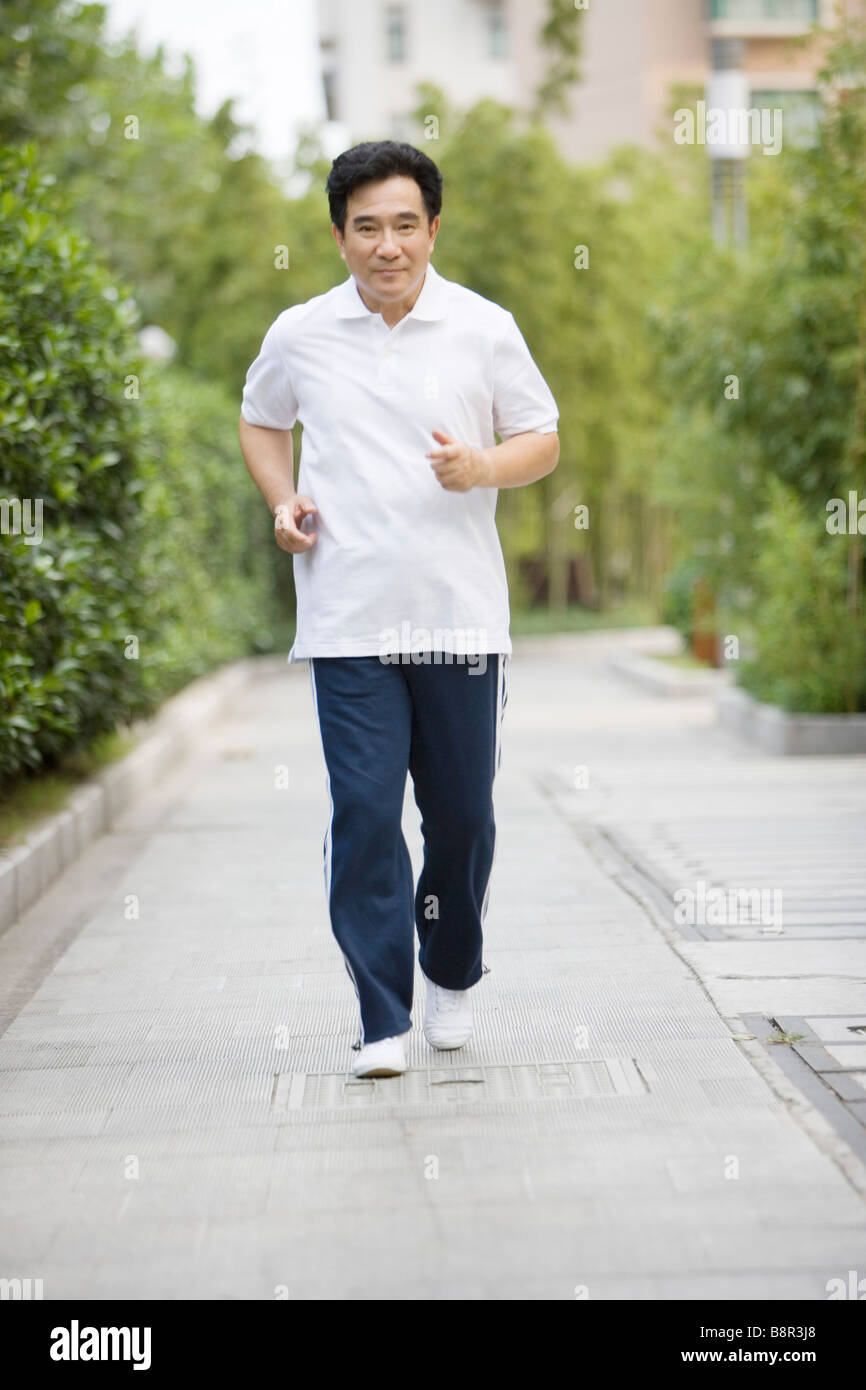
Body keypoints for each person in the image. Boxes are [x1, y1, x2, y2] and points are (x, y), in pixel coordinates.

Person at [238, 141, 559, 1078]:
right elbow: (262, 419)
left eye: (405, 225)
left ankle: (451, 972)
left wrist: (483, 467)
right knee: (366, 812)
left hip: (459, 621)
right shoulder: (300, 333)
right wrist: (281, 502)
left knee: (461, 817)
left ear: (432, 228)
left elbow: (539, 436)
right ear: (339, 235)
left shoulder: (483, 327)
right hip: (347, 620)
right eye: (367, 227)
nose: (389, 245)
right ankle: (382, 1015)